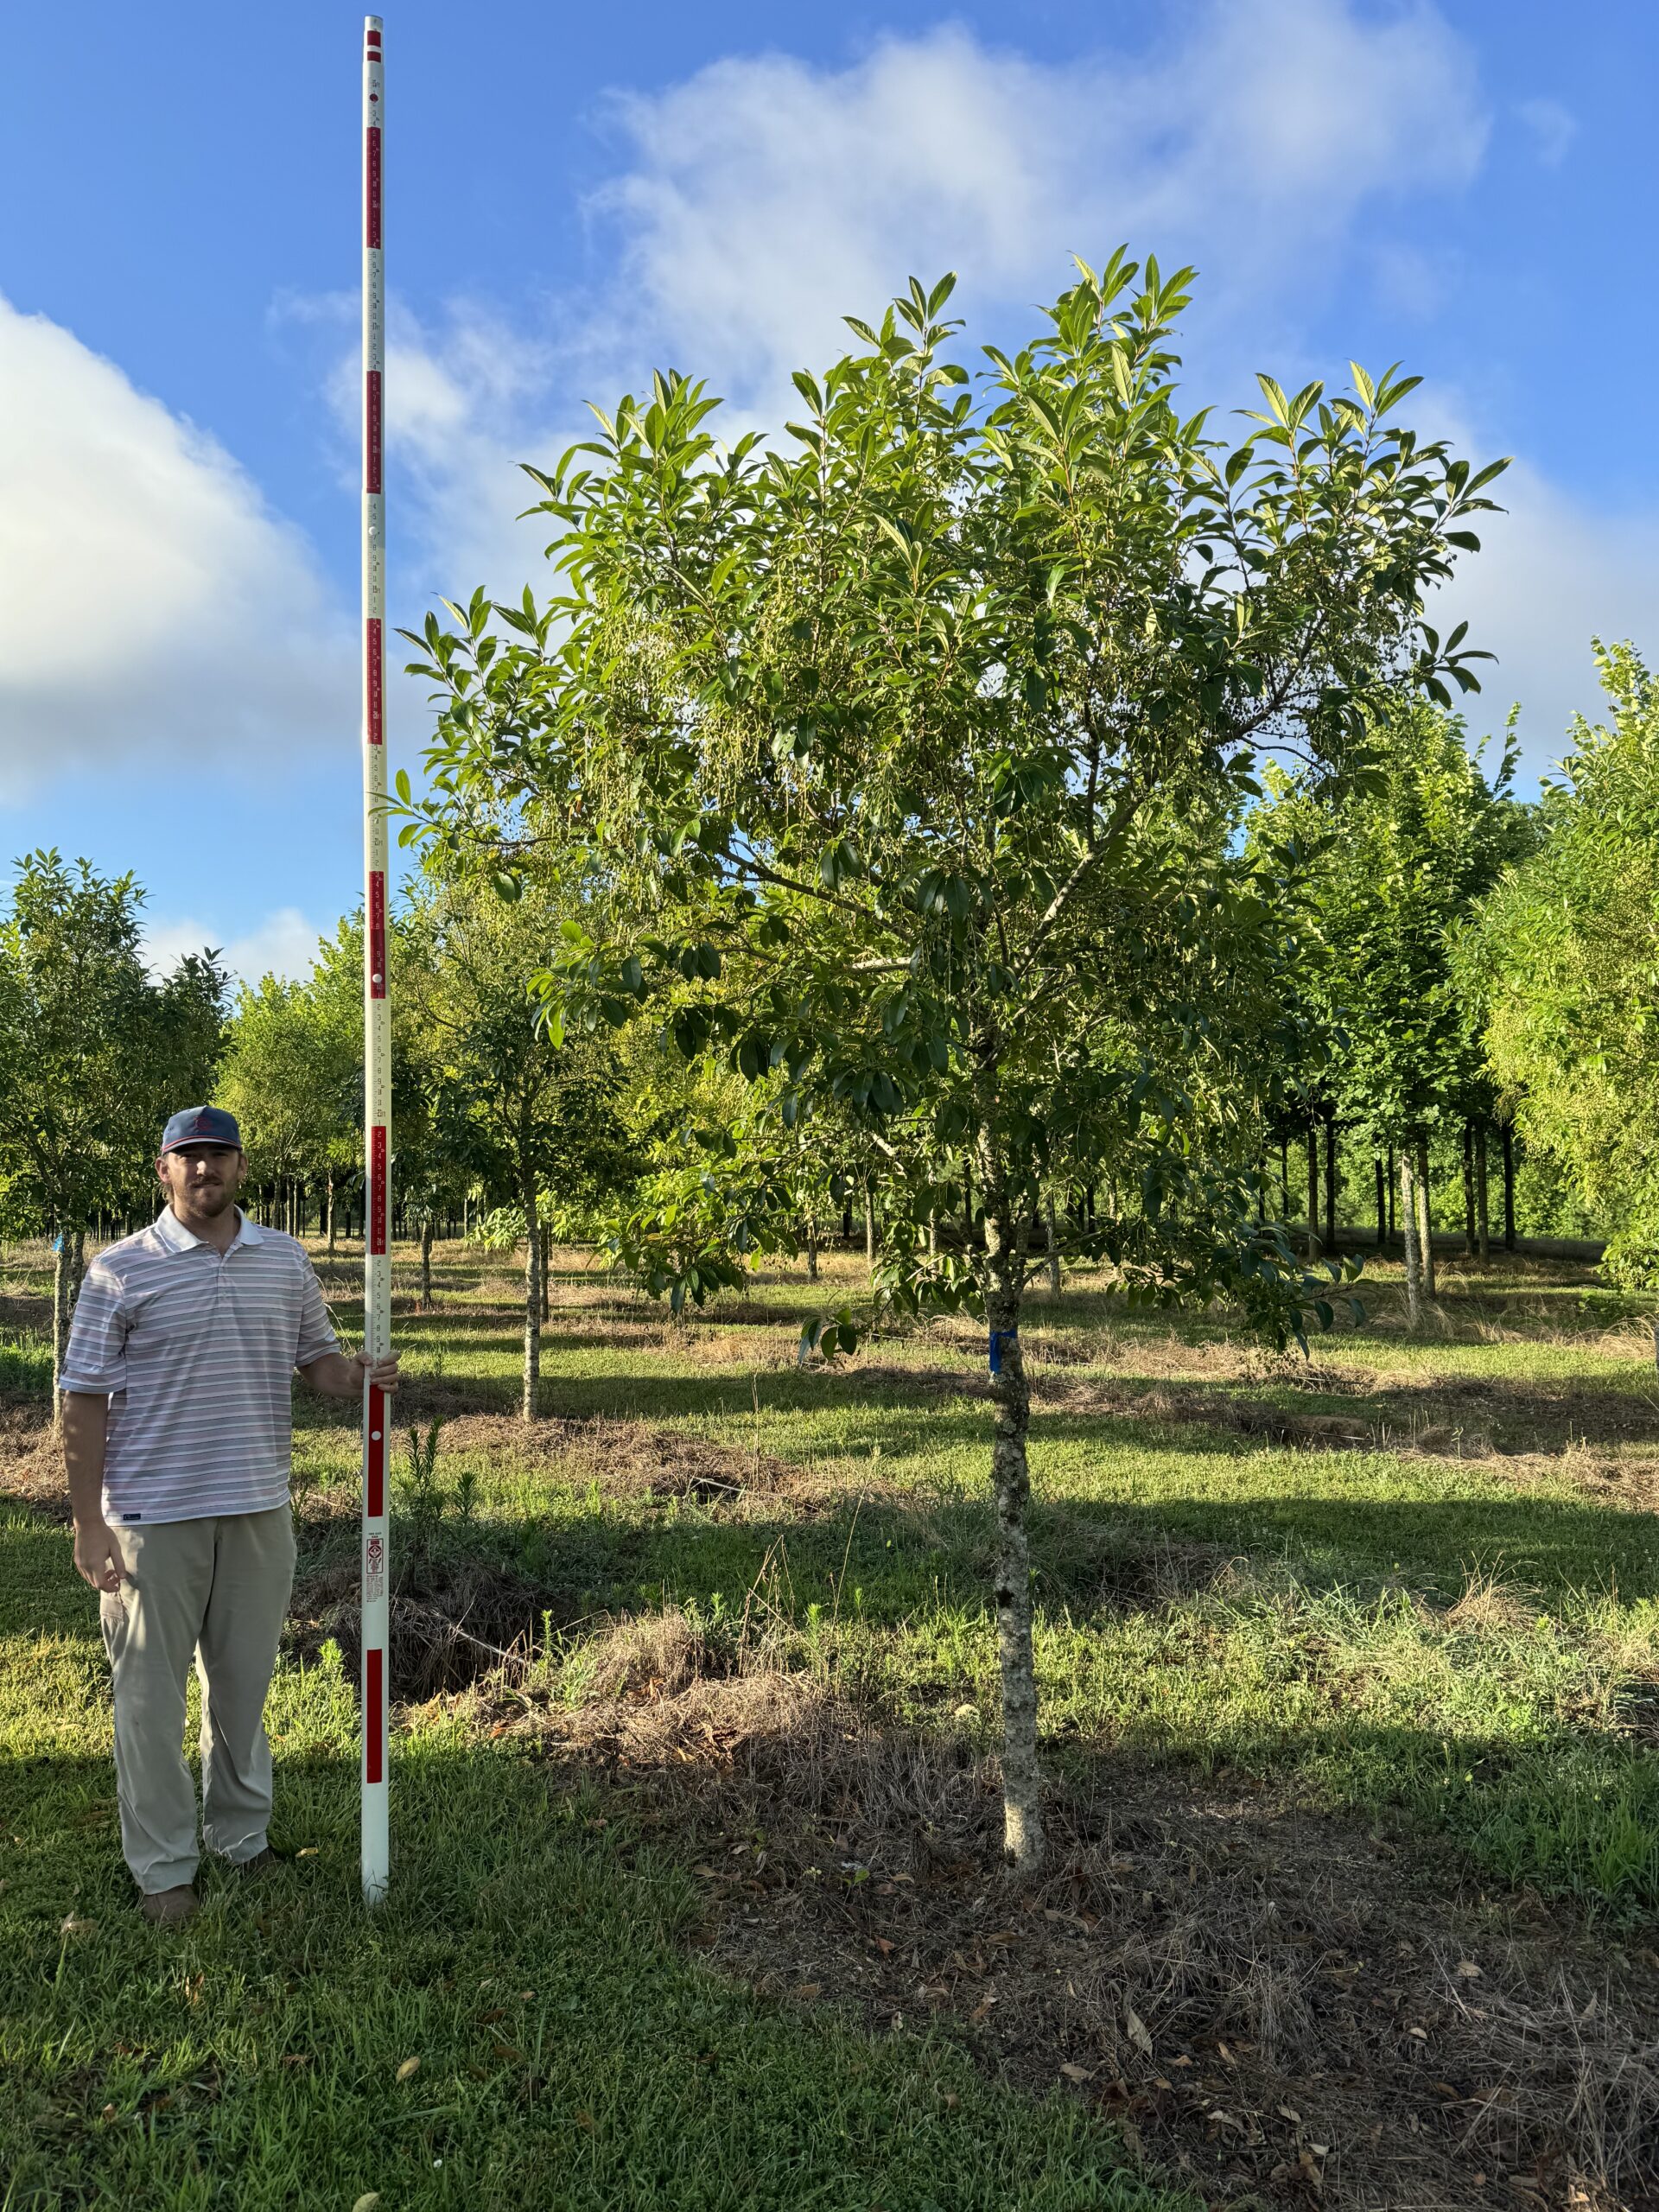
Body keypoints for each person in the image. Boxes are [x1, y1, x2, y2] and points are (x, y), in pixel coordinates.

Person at [59, 1105, 398, 1926]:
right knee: (148, 1703)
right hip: (152, 1518)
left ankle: (241, 1842)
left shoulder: (283, 1260)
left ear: (243, 1168)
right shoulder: (120, 1272)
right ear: (163, 1170)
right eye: (190, 1157)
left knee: (242, 1694)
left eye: (220, 1155)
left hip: (256, 1511)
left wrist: (362, 1374)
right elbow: (83, 1401)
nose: (205, 1168)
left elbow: (315, 1365)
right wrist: (88, 1523)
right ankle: (164, 1870)